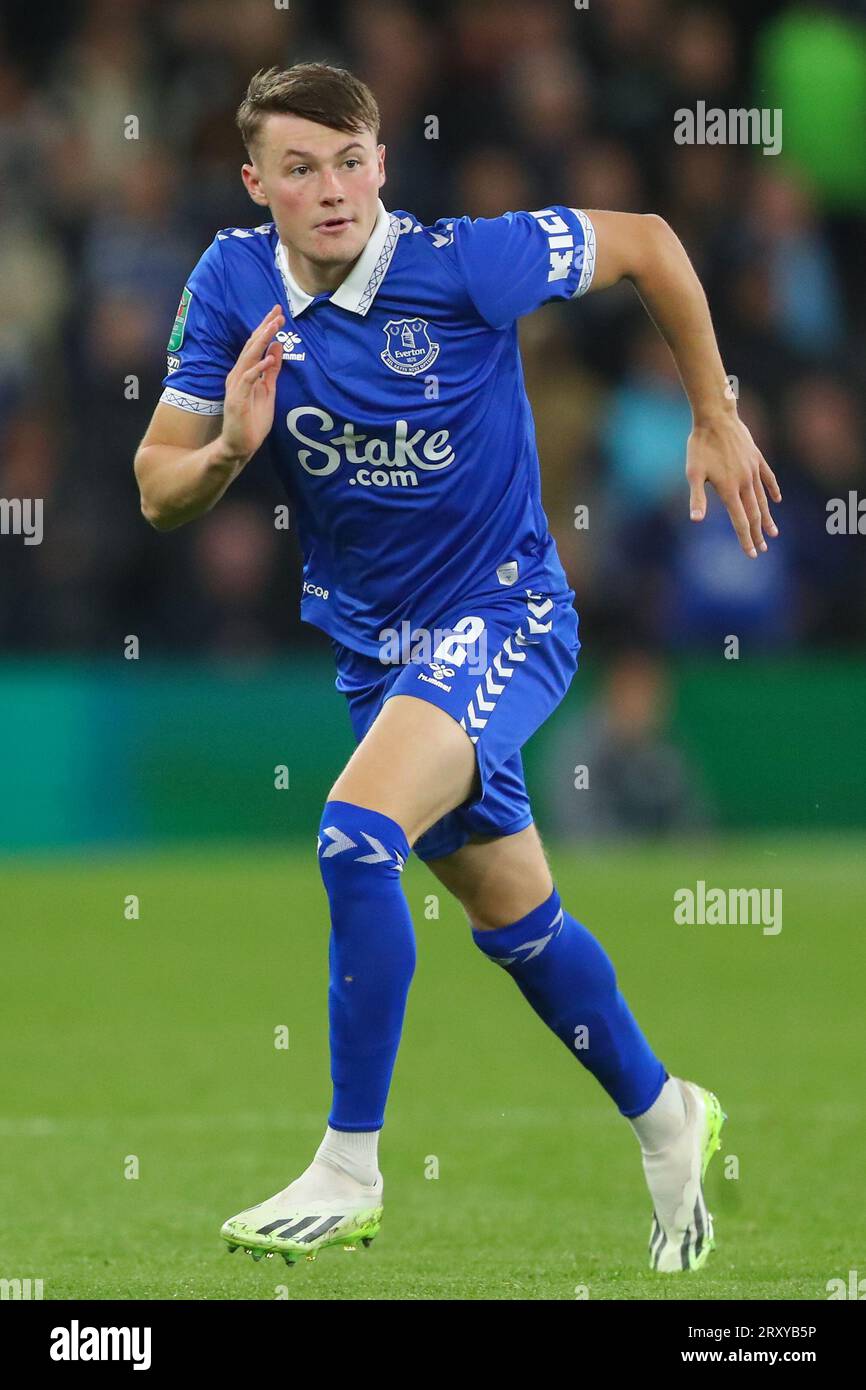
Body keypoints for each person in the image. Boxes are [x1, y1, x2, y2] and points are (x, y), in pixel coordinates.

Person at [133, 62, 780, 1275]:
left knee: (352, 833)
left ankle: (347, 1163)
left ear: (382, 163)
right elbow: (156, 486)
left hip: (504, 615)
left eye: (349, 162)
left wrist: (714, 409)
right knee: (519, 923)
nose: (329, 190)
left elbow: (644, 241)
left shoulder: (464, 263)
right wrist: (228, 445)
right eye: (299, 167)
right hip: (379, 655)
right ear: (255, 182)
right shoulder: (229, 285)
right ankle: (666, 1116)